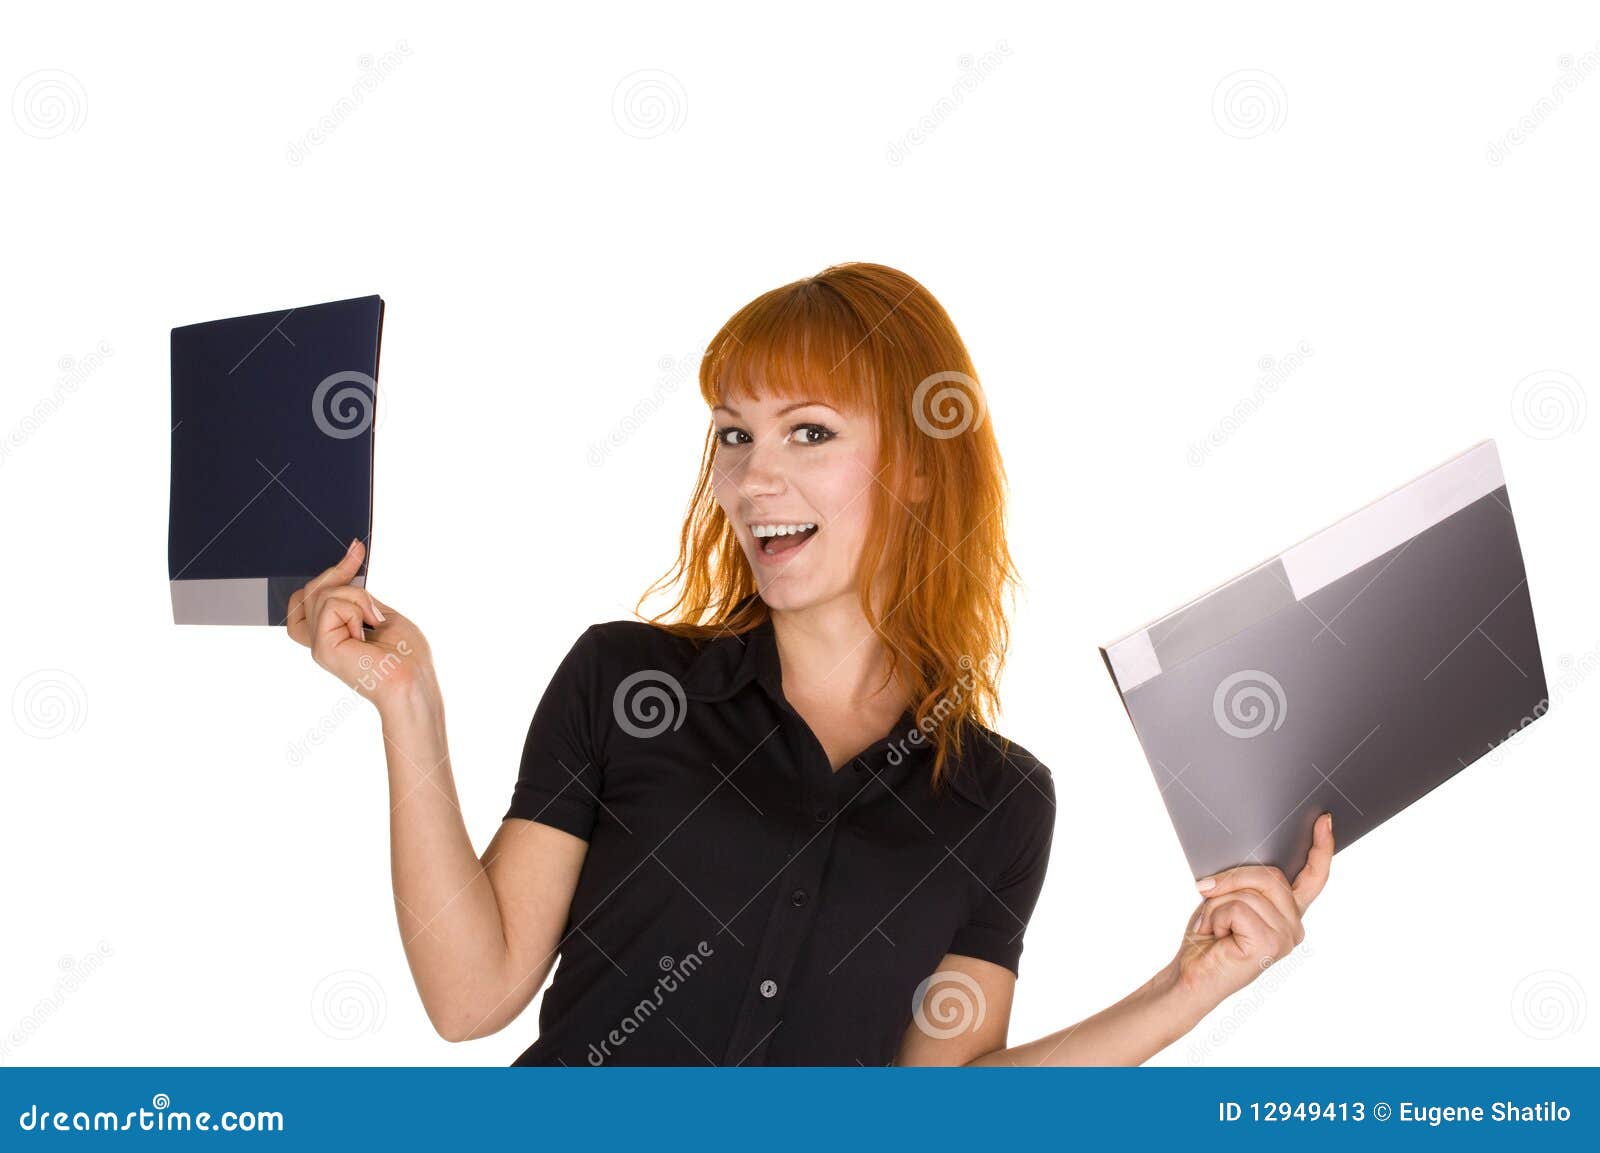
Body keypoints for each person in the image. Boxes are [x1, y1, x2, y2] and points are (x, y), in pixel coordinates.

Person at [285, 261, 1334, 1065]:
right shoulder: (623, 682)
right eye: (734, 435)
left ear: (921, 469)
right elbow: (471, 996)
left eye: (809, 431)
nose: (753, 478)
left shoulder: (999, 798)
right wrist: (404, 702)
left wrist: (1190, 985)